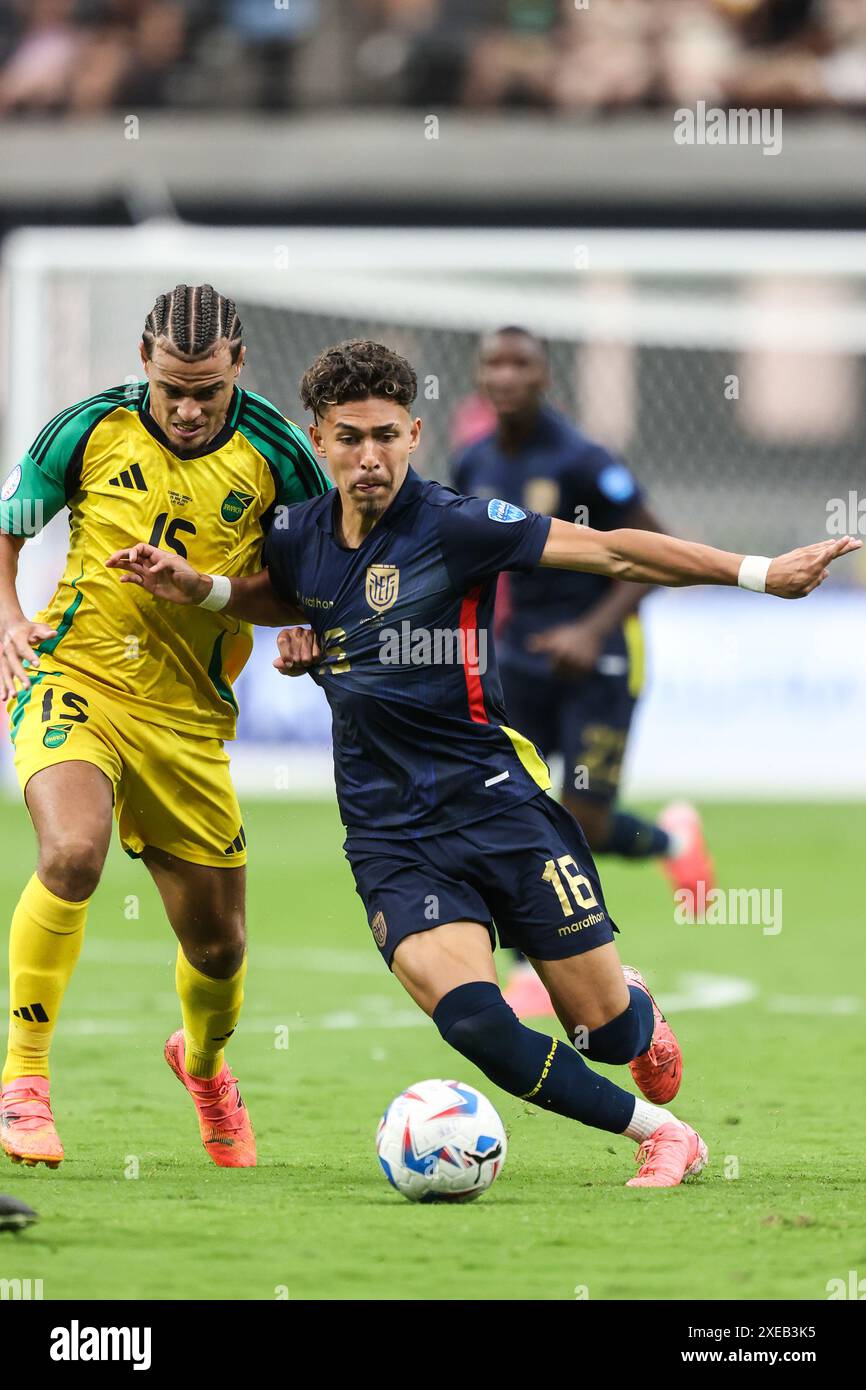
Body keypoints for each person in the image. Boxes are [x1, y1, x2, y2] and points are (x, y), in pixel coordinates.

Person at [106, 339, 858, 1188]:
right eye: (349, 437)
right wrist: (205, 588)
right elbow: (286, 595)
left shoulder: (456, 524)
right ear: (317, 439)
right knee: (476, 1023)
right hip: (390, 834)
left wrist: (760, 572)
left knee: (605, 1033)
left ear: (415, 432)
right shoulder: (295, 533)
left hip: (500, 806)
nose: (369, 457)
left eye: (386, 435)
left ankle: (635, 1016)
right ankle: (664, 1136)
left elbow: (614, 549)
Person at [0, 283, 330, 1171]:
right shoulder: (88, 429)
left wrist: (292, 618)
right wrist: (8, 615)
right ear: (145, 359)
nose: (187, 409)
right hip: (77, 677)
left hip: (189, 716)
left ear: (238, 369)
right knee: (72, 853)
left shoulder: (282, 457)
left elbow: (309, 581)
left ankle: (206, 1066)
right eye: (172, 387)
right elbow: (9, 529)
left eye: (207, 392)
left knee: (219, 948)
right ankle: (23, 1080)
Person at [453, 326, 713, 1017]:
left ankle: (669, 840)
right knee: (515, 808)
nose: (506, 376)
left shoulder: (583, 460)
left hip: (602, 656)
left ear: (544, 378)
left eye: (521, 364)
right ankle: (527, 968)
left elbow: (658, 551)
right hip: (519, 659)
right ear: (482, 379)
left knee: (586, 818)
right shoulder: (472, 461)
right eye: (494, 365)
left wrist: (589, 628)